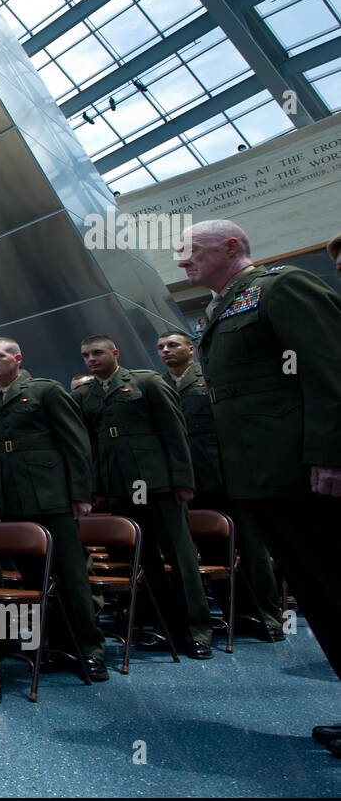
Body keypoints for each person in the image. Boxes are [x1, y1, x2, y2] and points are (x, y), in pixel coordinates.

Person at [178, 218, 341, 754]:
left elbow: (331, 370)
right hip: (260, 476)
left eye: (191, 251)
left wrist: (329, 455)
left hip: (302, 471)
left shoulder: (281, 287)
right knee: (317, 595)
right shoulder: (221, 307)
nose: (183, 262)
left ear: (231, 246)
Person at [0, 337, 107, 681]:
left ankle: (89, 648)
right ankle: (56, 644)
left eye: (1, 354)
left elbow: (75, 443)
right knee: (36, 579)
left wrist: (81, 494)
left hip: (52, 496)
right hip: (12, 498)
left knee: (71, 575)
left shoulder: (44, 391)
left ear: (18, 358)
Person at [75, 335, 212, 659]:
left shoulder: (146, 382)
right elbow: (89, 445)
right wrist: (97, 487)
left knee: (180, 559)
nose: (91, 359)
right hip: (119, 488)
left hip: (157, 484)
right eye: (85, 355)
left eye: (97, 353)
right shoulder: (85, 394)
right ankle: (160, 627)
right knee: (142, 563)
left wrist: (182, 480)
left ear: (115, 352)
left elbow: (174, 432)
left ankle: (196, 632)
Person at [157, 330, 283, 641]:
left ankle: (267, 615)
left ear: (191, 347)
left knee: (251, 549)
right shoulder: (160, 384)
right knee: (213, 555)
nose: (166, 351)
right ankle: (234, 613)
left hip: (226, 474)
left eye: (173, 345)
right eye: (161, 347)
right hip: (191, 481)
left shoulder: (209, 377)